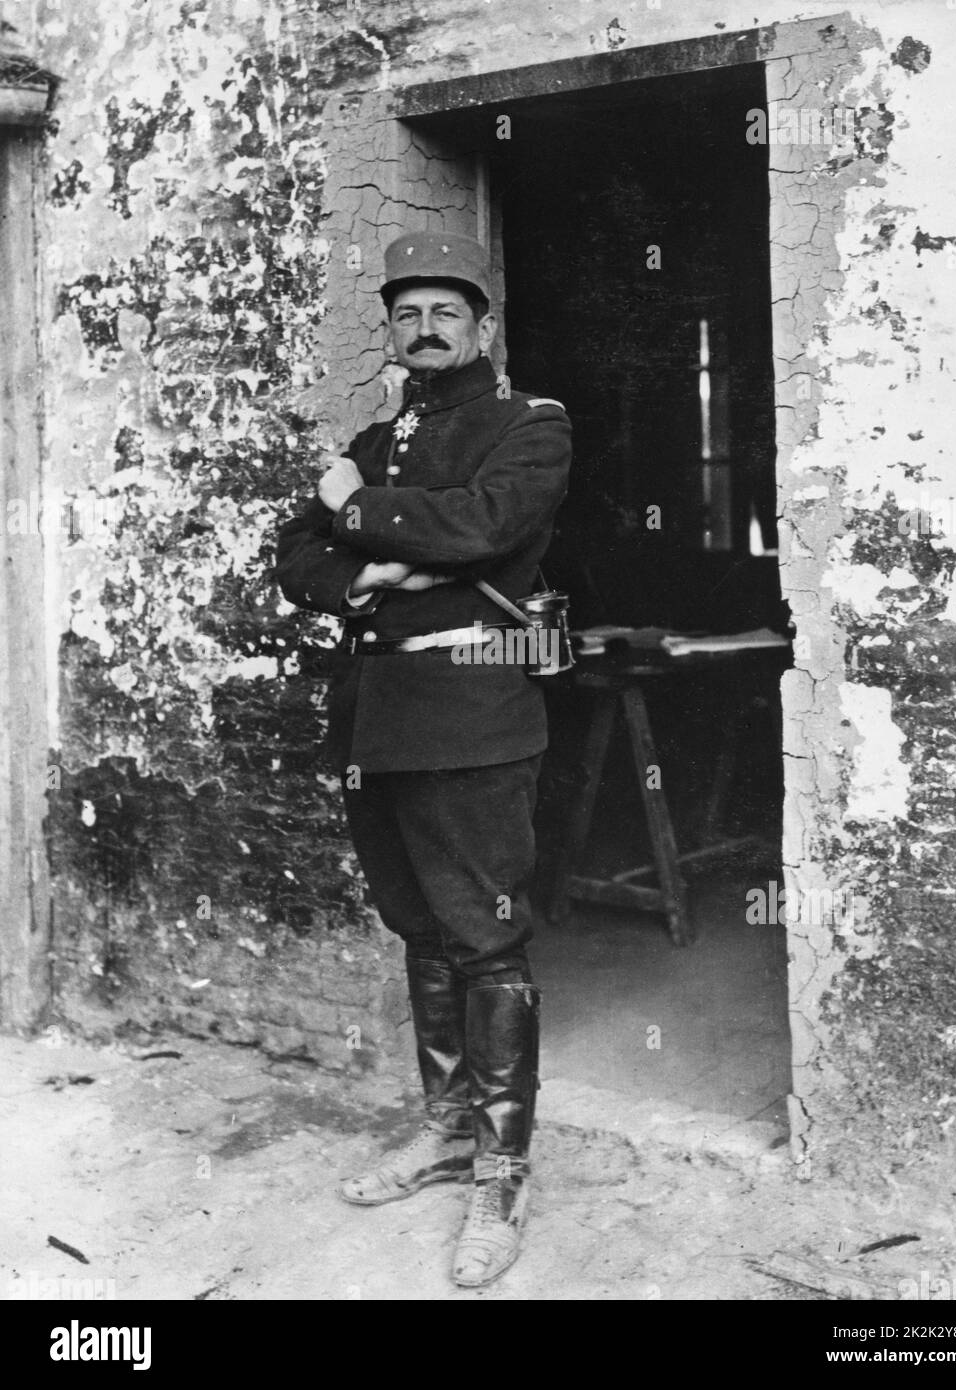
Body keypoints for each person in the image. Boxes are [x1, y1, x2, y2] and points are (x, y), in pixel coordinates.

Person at [274, 230, 571, 1287]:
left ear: (482, 326)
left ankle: (502, 1166)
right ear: (392, 332)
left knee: (486, 939)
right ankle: (446, 1128)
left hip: (474, 714)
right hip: (377, 717)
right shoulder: (373, 433)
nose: (427, 328)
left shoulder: (529, 426)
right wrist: (367, 575)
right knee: (421, 929)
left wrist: (357, 509)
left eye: (448, 311)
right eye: (408, 314)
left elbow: (485, 525)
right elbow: (294, 557)